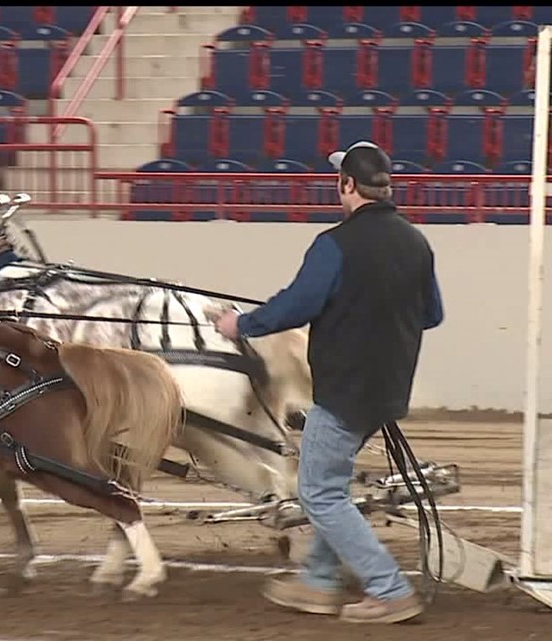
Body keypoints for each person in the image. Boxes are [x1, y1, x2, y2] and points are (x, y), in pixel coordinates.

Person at [213, 141, 444, 624]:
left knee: (318, 492)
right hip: (387, 390)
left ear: (347, 186)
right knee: (329, 483)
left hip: (344, 390)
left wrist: (241, 325)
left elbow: (296, 305)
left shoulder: (334, 244)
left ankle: (389, 588)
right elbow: (431, 315)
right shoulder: (416, 242)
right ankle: (318, 581)